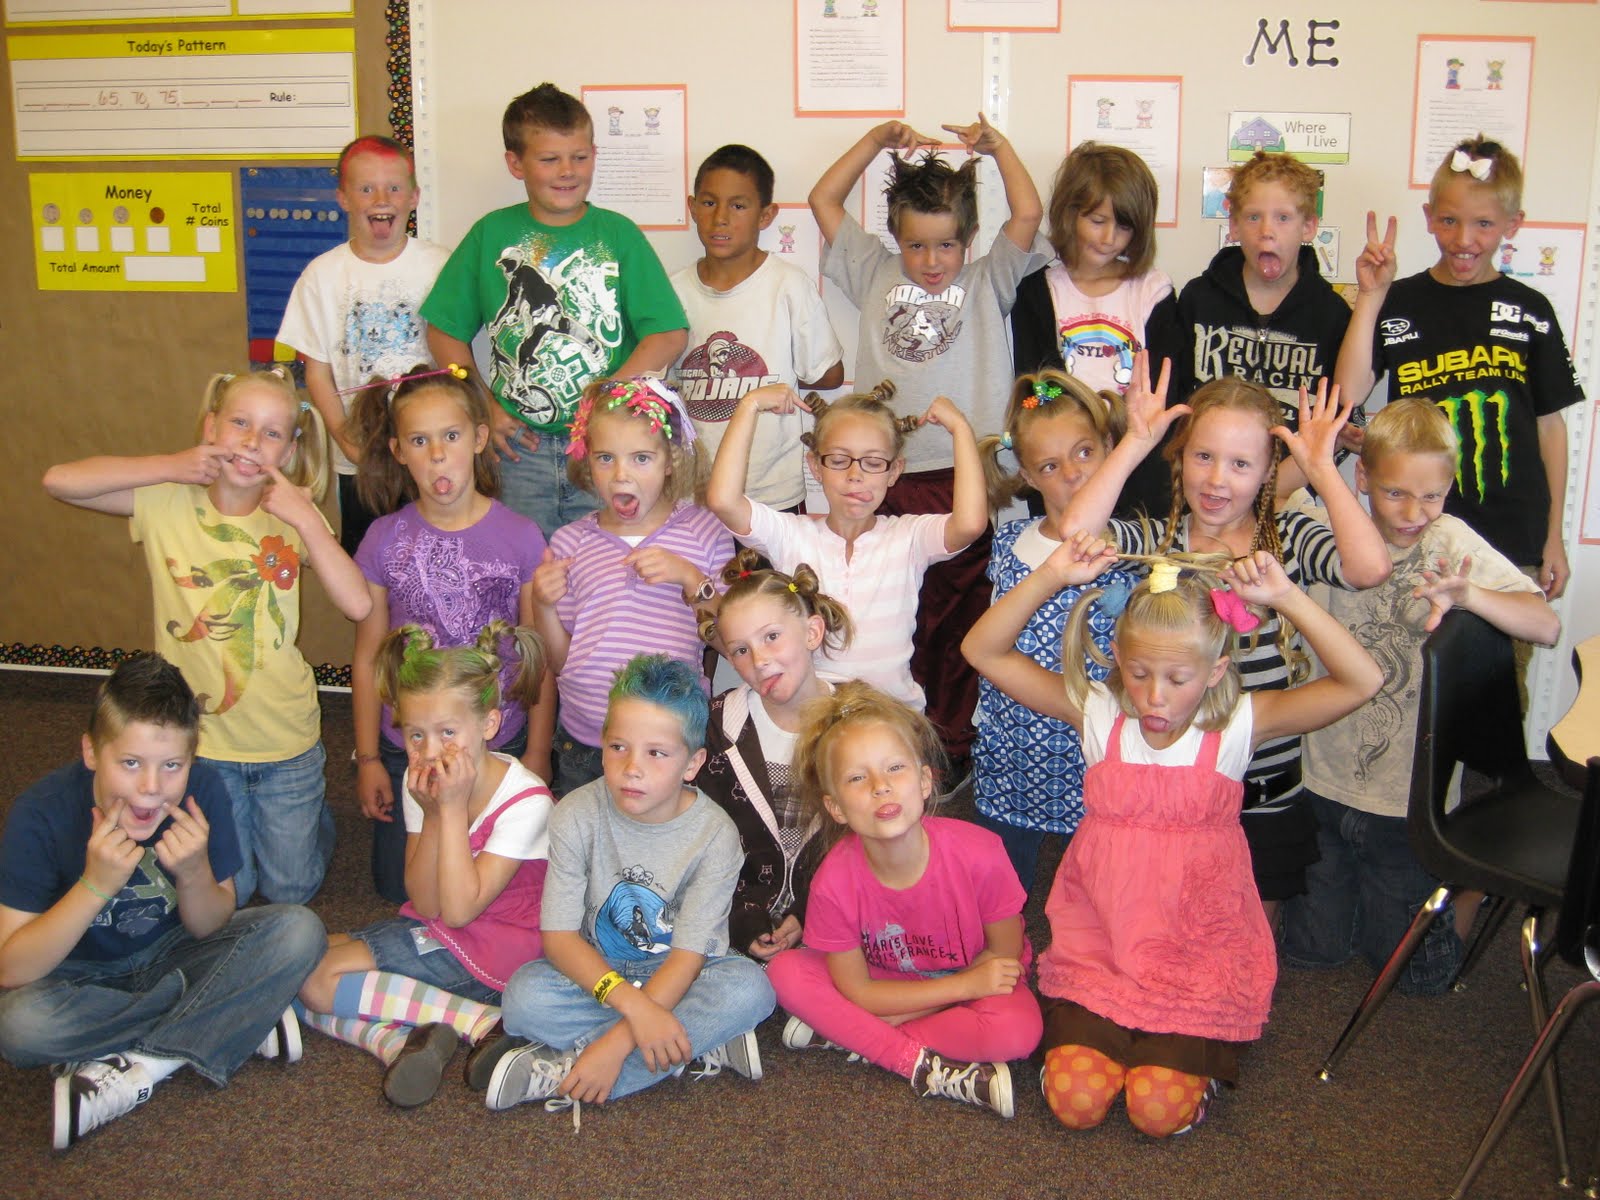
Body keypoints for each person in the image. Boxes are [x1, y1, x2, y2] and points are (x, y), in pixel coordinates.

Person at [963, 535, 1381, 1136]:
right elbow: (982, 648)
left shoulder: (1240, 725)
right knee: (1075, 1104)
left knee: (1156, 1112)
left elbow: (1360, 681)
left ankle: (1194, 1061)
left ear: (1215, 672)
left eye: (1178, 679)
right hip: (1102, 941)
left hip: (1195, 951)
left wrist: (1287, 597)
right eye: (1139, 673)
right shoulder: (1100, 712)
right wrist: (1051, 574)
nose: (1156, 696)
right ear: (1117, 661)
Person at [1059, 356, 1389, 916]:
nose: (1216, 479)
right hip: (1165, 782)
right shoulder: (1155, 536)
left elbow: (1368, 568)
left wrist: (1321, 469)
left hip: (1261, 789)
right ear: (1180, 458)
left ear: (1267, 473)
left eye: (1240, 463)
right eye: (1203, 456)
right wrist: (1135, 441)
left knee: (1244, 930)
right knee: (1158, 916)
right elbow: (1074, 531)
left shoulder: (1284, 536)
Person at [43, 369, 372, 906]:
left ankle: (314, 823)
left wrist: (308, 521)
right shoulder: (166, 500)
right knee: (234, 892)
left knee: (293, 887)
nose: (250, 441)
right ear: (211, 426)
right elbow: (60, 481)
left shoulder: (289, 514)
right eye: (239, 423)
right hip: (203, 745)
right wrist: (174, 464)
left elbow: (358, 602)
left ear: (289, 451)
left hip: (285, 742)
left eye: (271, 433)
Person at [1282, 399, 1560, 994]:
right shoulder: (1329, 523)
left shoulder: (1450, 540)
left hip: (1404, 801)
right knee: (1314, 952)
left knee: (1417, 978)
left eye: (1431, 496)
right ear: (1362, 478)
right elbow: (1276, 493)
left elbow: (1546, 625)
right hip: (1322, 782)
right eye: (1394, 493)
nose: (1413, 513)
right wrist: (1320, 463)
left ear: (1449, 488)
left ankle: (1472, 884)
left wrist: (1470, 596)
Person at [0, 654, 326, 1150]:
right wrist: (94, 886)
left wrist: (195, 872)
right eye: (130, 764)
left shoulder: (203, 792)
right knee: (18, 1027)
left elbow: (210, 925)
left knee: (299, 930)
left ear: (191, 760)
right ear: (91, 752)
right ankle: (232, 1013)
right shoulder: (40, 814)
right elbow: (11, 967)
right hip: (79, 974)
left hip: (175, 953)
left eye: (172, 765)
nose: (151, 788)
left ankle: (141, 1065)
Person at [810, 115, 1048, 770]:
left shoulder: (985, 281)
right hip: (886, 479)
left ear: (968, 240)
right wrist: (872, 144)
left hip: (966, 481)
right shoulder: (873, 271)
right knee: (896, 616)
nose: (932, 261)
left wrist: (997, 147)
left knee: (963, 617)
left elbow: (1027, 212)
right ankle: (892, 737)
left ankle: (954, 742)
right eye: (917, 246)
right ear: (897, 240)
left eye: (946, 246)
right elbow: (823, 201)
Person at [1334, 136, 1583, 705]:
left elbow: (1549, 426)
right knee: (1409, 684)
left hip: (1508, 534)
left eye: (1483, 225)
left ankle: (1487, 795)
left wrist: (1554, 538)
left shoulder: (1530, 311)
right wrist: (1370, 298)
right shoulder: (1399, 301)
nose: (1464, 240)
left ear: (1513, 224)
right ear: (1428, 217)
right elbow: (1348, 393)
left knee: (1495, 691)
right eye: (1448, 220)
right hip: (1413, 528)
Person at [485, 655, 776, 1115]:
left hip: (688, 974)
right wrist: (637, 1012)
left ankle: (569, 1072)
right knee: (523, 997)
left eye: (656, 753)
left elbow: (687, 957)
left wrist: (617, 1044)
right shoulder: (575, 814)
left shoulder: (715, 836)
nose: (631, 768)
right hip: (600, 975)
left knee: (750, 989)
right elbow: (559, 939)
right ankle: (694, 1044)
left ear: (692, 763)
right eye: (618, 746)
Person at [299, 623, 553, 1108]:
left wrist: (450, 810)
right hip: (446, 925)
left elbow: (458, 910)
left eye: (448, 732)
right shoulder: (423, 779)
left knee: (311, 977)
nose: (431, 750)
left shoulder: (527, 801)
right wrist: (435, 812)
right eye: (416, 734)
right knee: (305, 954)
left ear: (490, 725)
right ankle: (397, 1043)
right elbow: (422, 896)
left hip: (500, 948)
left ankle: (479, 1024)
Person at [765, 681, 1042, 1120]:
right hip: (908, 985)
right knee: (784, 971)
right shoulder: (833, 882)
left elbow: (1004, 956)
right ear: (835, 807)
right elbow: (859, 989)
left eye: (895, 768)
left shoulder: (982, 853)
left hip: (980, 970)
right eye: (857, 778)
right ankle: (912, 1061)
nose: (880, 787)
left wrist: (944, 993)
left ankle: (849, 1034)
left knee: (1018, 1031)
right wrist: (958, 990)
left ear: (925, 780)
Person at [422, 82, 688, 536]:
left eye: (580, 157)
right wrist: (484, 405)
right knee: (528, 578)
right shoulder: (491, 234)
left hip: (608, 448)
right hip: (518, 452)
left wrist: (605, 395)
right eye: (549, 159)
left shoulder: (618, 234)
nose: (567, 171)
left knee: (607, 570)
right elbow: (443, 332)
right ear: (515, 163)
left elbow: (668, 334)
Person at [348, 364, 554, 904]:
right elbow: (369, 654)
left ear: (480, 439)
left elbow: (536, 656)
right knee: (402, 891)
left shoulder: (521, 536)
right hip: (410, 745)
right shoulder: (382, 539)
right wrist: (369, 757)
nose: (437, 454)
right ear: (399, 451)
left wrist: (537, 749)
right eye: (420, 440)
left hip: (494, 739)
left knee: (487, 892)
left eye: (451, 436)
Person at [706, 381, 985, 711]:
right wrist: (749, 405)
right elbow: (723, 500)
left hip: (893, 719)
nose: (855, 476)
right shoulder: (790, 534)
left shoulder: (909, 537)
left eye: (873, 462)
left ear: (894, 471)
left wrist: (961, 430)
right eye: (839, 460)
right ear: (815, 467)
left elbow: (969, 523)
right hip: (816, 720)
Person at [971, 369, 1138, 889]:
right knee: (1000, 889)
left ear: (1110, 447)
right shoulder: (1011, 541)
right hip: (1013, 745)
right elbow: (993, 640)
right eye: (1050, 464)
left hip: (1093, 746)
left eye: (1085, 453)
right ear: (1025, 473)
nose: (1072, 474)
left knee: (1097, 886)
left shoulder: (1133, 547)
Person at [529, 378, 733, 796]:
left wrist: (692, 579)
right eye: (606, 458)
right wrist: (544, 606)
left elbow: (734, 642)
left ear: (671, 459)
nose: (621, 475)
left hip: (671, 742)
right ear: (588, 463)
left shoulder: (704, 531)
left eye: (641, 457)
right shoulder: (570, 542)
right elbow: (559, 661)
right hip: (587, 740)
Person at [275, 134, 452, 554]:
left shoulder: (442, 265)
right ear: (343, 198)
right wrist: (346, 442)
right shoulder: (322, 275)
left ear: (414, 197)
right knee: (371, 570)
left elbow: (459, 354)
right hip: (361, 461)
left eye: (393, 187)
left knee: (439, 563)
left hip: (435, 454)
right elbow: (316, 371)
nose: (381, 199)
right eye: (366, 188)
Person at [696, 548, 854, 960]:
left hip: (839, 907)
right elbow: (700, 840)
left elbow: (874, 836)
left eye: (771, 637)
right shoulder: (717, 728)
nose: (760, 661)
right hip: (740, 912)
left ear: (812, 632)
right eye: (741, 650)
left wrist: (811, 910)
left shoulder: (862, 722)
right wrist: (740, 920)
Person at [1167, 151, 1356, 493]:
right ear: (1235, 226)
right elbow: (1174, 402)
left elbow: (1336, 421)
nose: (1267, 232)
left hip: (1293, 494)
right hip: (1207, 488)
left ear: (1309, 227)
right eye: (1253, 217)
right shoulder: (1198, 299)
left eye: (1283, 217)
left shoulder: (1331, 314)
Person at [671, 143, 844, 511]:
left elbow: (829, 373)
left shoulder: (788, 286)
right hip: (694, 495)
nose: (720, 218)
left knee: (774, 573)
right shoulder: (674, 292)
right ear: (691, 207)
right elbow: (661, 385)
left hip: (771, 493)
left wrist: (772, 377)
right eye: (708, 202)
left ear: (766, 215)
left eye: (738, 205)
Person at [1010, 141, 1177, 517]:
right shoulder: (1039, 290)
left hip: (1141, 475)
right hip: (1063, 474)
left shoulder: (1153, 291)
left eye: (1124, 225)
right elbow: (1038, 388)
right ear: (1069, 214)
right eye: (1097, 221)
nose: (1109, 238)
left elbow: (1169, 390)